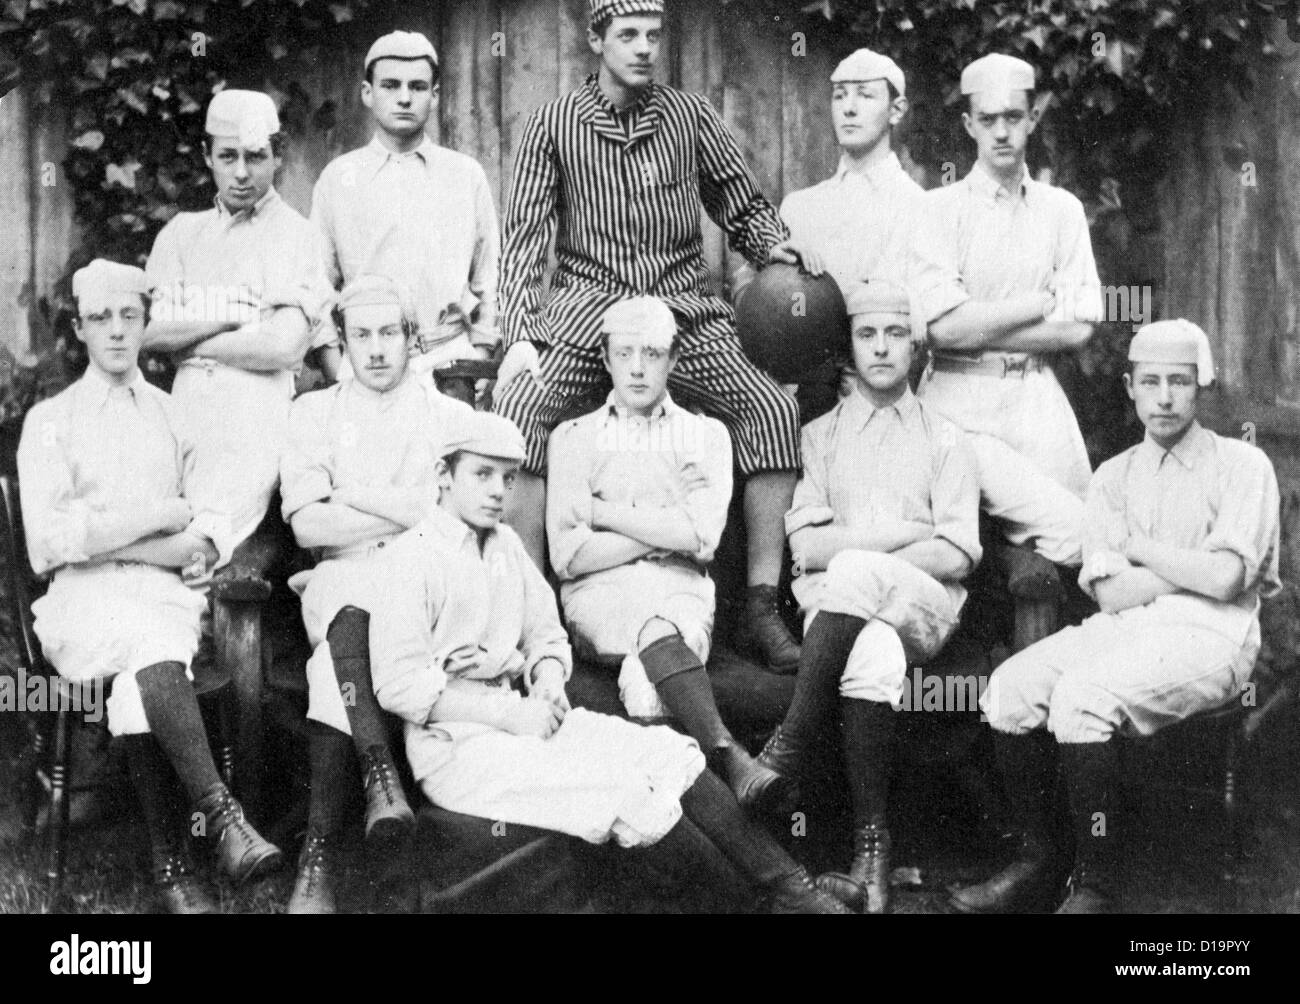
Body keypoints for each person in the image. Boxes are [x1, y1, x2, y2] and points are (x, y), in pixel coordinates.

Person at [364, 412, 851, 913]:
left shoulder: (505, 546)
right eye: (482, 474)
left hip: (530, 720)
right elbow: (399, 684)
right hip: (458, 749)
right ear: (444, 475)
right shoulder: (410, 558)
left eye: (508, 478)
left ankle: (793, 887)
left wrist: (547, 679)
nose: (498, 491)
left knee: (668, 752)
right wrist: (505, 713)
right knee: (627, 793)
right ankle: (757, 906)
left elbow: (546, 635)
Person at [494, 0, 821, 672]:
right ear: (595, 41)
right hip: (589, 306)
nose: (644, 49)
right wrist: (519, 335)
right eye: (627, 35)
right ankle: (529, 607)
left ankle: (763, 604)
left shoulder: (688, 116)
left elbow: (741, 199)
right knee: (519, 405)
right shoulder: (551, 124)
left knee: (766, 407)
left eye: (653, 34)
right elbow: (524, 239)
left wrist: (773, 246)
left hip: (682, 307)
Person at [949, 320, 1280, 914]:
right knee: (1010, 689)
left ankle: (1098, 881)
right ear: (1129, 387)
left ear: (1200, 386)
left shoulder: (1242, 466)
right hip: (1126, 626)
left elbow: (1228, 580)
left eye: (1179, 381)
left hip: (1215, 635)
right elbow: (1111, 596)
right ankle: (1041, 855)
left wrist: (1144, 550)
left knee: (1081, 697)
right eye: (1149, 381)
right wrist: (1193, 567)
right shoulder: (1112, 477)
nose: (1165, 396)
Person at [18, 260, 282, 914]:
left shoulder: (172, 414)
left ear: (145, 321)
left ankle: (175, 865)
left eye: (129, 316)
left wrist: (196, 539)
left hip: (159, 595)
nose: (115, 331)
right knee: (150, 642)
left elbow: (210, 513)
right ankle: (218, 822)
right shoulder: (51, 420)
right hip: (79, 604)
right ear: (79, 327)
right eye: (100, 318)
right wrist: (158, 519)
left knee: (148, 654)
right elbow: (49, 544)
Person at [739, 281, 982, 913]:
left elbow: (955, 553)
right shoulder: (818, 435)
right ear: (849, 346)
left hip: (923, 606)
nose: (881, 347)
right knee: (870, 652)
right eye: (867, 334)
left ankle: (784, 750)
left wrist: (861, 555)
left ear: (916, 346)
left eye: (895, 334)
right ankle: (872, 848)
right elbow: (807, 549)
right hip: (843, 611)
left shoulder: (948, 436)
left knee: (855, 573)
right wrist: (903, 535)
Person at [278, 274, 473, 913]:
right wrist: (412, 507)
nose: (377, 348)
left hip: (421, 591)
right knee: (345, 594)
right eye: (361, 335)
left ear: (413, 338)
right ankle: (377, 781)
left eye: (390, 332)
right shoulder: (314, 414)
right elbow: (308, 523)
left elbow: (460, 517)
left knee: (333, 672)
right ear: (342, 341)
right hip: (340, 578)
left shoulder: (449, 418)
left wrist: (354, 497)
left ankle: (320, 854)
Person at [546, 297, 777, 803]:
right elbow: (569, 557)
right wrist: (665, 530)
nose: (636, 367)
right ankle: (727, 755)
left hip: (682, 590)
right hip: (600, 595)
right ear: (605, 358)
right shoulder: (574, 437)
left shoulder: (705, 435)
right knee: (653, 633)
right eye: (624, 352)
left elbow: (703, 539)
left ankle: (662, 829)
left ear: (674, 359)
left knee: (645, 674)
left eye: (651, 353)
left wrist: (603, 514)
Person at [911, 53, 1100, 585]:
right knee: (1071, 533)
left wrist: (978, 320)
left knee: (1089, 545)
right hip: (957, 403)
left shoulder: (1061, 209)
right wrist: (1039, 302)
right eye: (988, 119)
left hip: (1036, 398)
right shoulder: (938, 210)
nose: (1001, 132)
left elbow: (1081, 325)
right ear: (969, 124)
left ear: (1032, 119)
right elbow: (942, 329)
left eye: (1012, 118)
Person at [143, 88, 332, 557]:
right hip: (184, 407)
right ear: (207, 156)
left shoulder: (296, 236)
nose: (242, 172)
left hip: (256, 407)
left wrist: (189, 343)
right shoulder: (182, 233)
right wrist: (232, 318)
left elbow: (284, 350)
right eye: (228, 156)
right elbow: (150, 334)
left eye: (255, 156)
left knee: (210, 531)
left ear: (278, 156)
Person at [310, 31, 500, 383]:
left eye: (417, 87)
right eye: (390, 85)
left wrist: (479, 360)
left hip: (448, 360)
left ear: (435, 95)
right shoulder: (338, 179)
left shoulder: (464, 175)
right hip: (367, 366)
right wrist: (337, 371)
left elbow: (489, 280)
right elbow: (316, 284)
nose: (404, 98)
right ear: (368, 93)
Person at [773, 49, 922, 300]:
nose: (849, 109)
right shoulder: (799, 207)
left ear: (896, 110)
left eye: (865, 95)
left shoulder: (917, 207)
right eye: (839, 96)